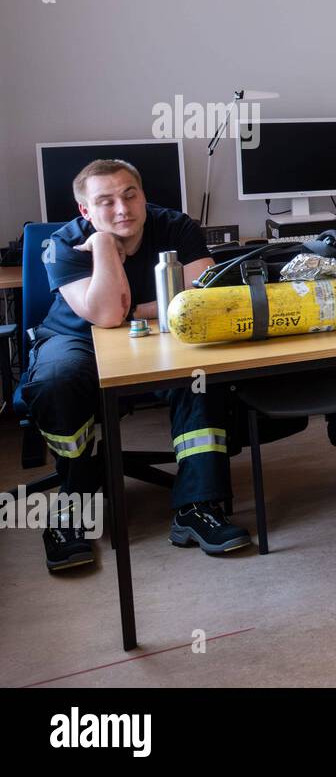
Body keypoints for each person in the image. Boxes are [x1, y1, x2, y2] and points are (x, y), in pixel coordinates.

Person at [19, 159, 251, 572]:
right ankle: (75, 505)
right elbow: (103, 318)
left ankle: (196, 508)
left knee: (200, 375)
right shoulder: (62, 243)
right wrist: (106, 247)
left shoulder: (177, 227)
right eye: (105, 202)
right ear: (85, 212)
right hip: (75, 339)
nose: (122, 209)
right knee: (57, 381)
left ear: (143, 195)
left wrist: (130, 312)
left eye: (130, 195)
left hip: (161, 334)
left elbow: (202, 298)